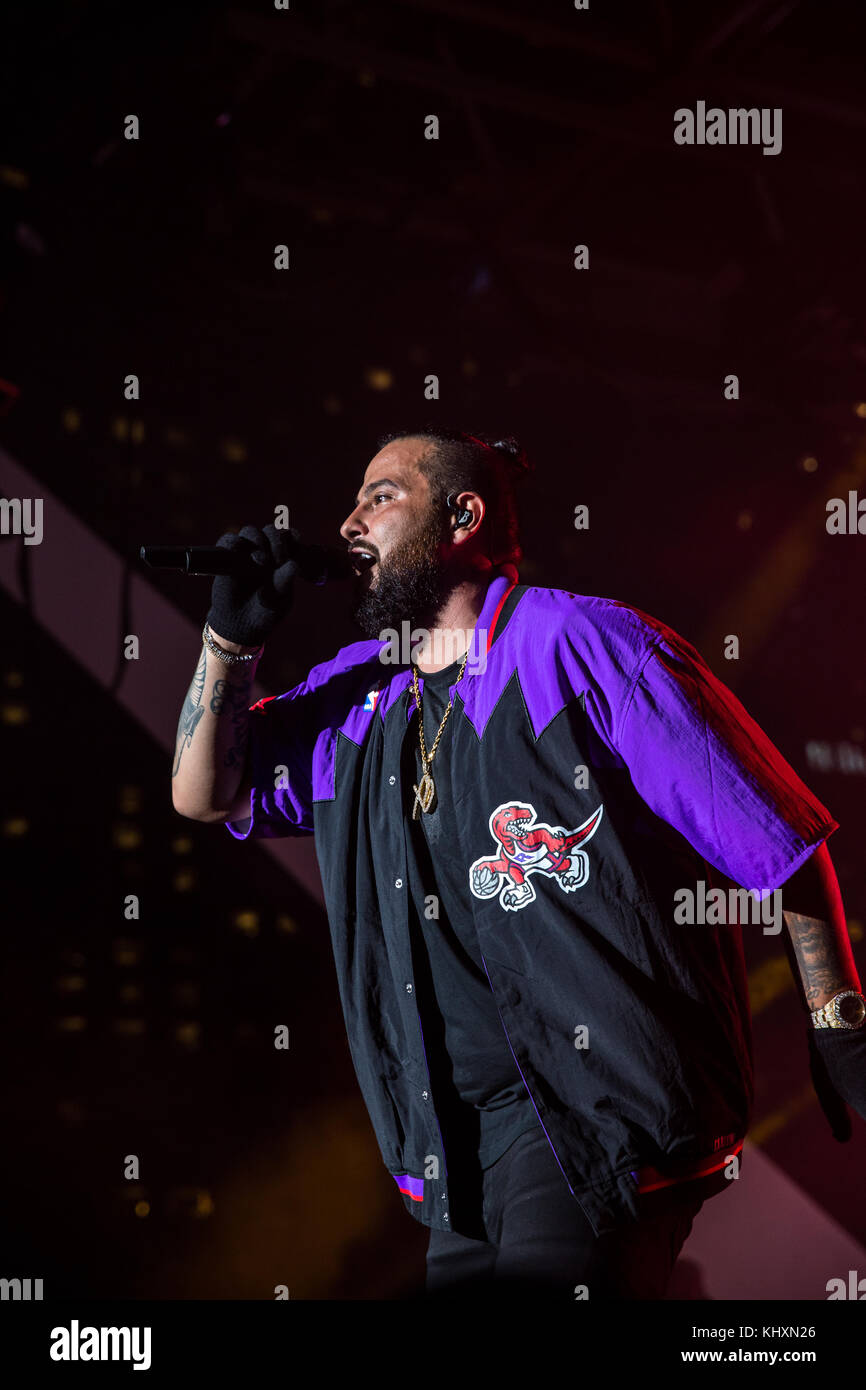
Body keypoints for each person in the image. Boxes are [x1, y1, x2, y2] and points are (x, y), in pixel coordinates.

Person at [171, 427, 866, 1301]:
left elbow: (781, 841)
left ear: (462, 516)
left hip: (592, 1113)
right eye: (352, 499)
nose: (348, 521)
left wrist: (840, 1023)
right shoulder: (363, 692)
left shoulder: (584, 647)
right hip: (452, 1145)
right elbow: (204, 792)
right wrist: (230, 640)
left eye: (381, 497)